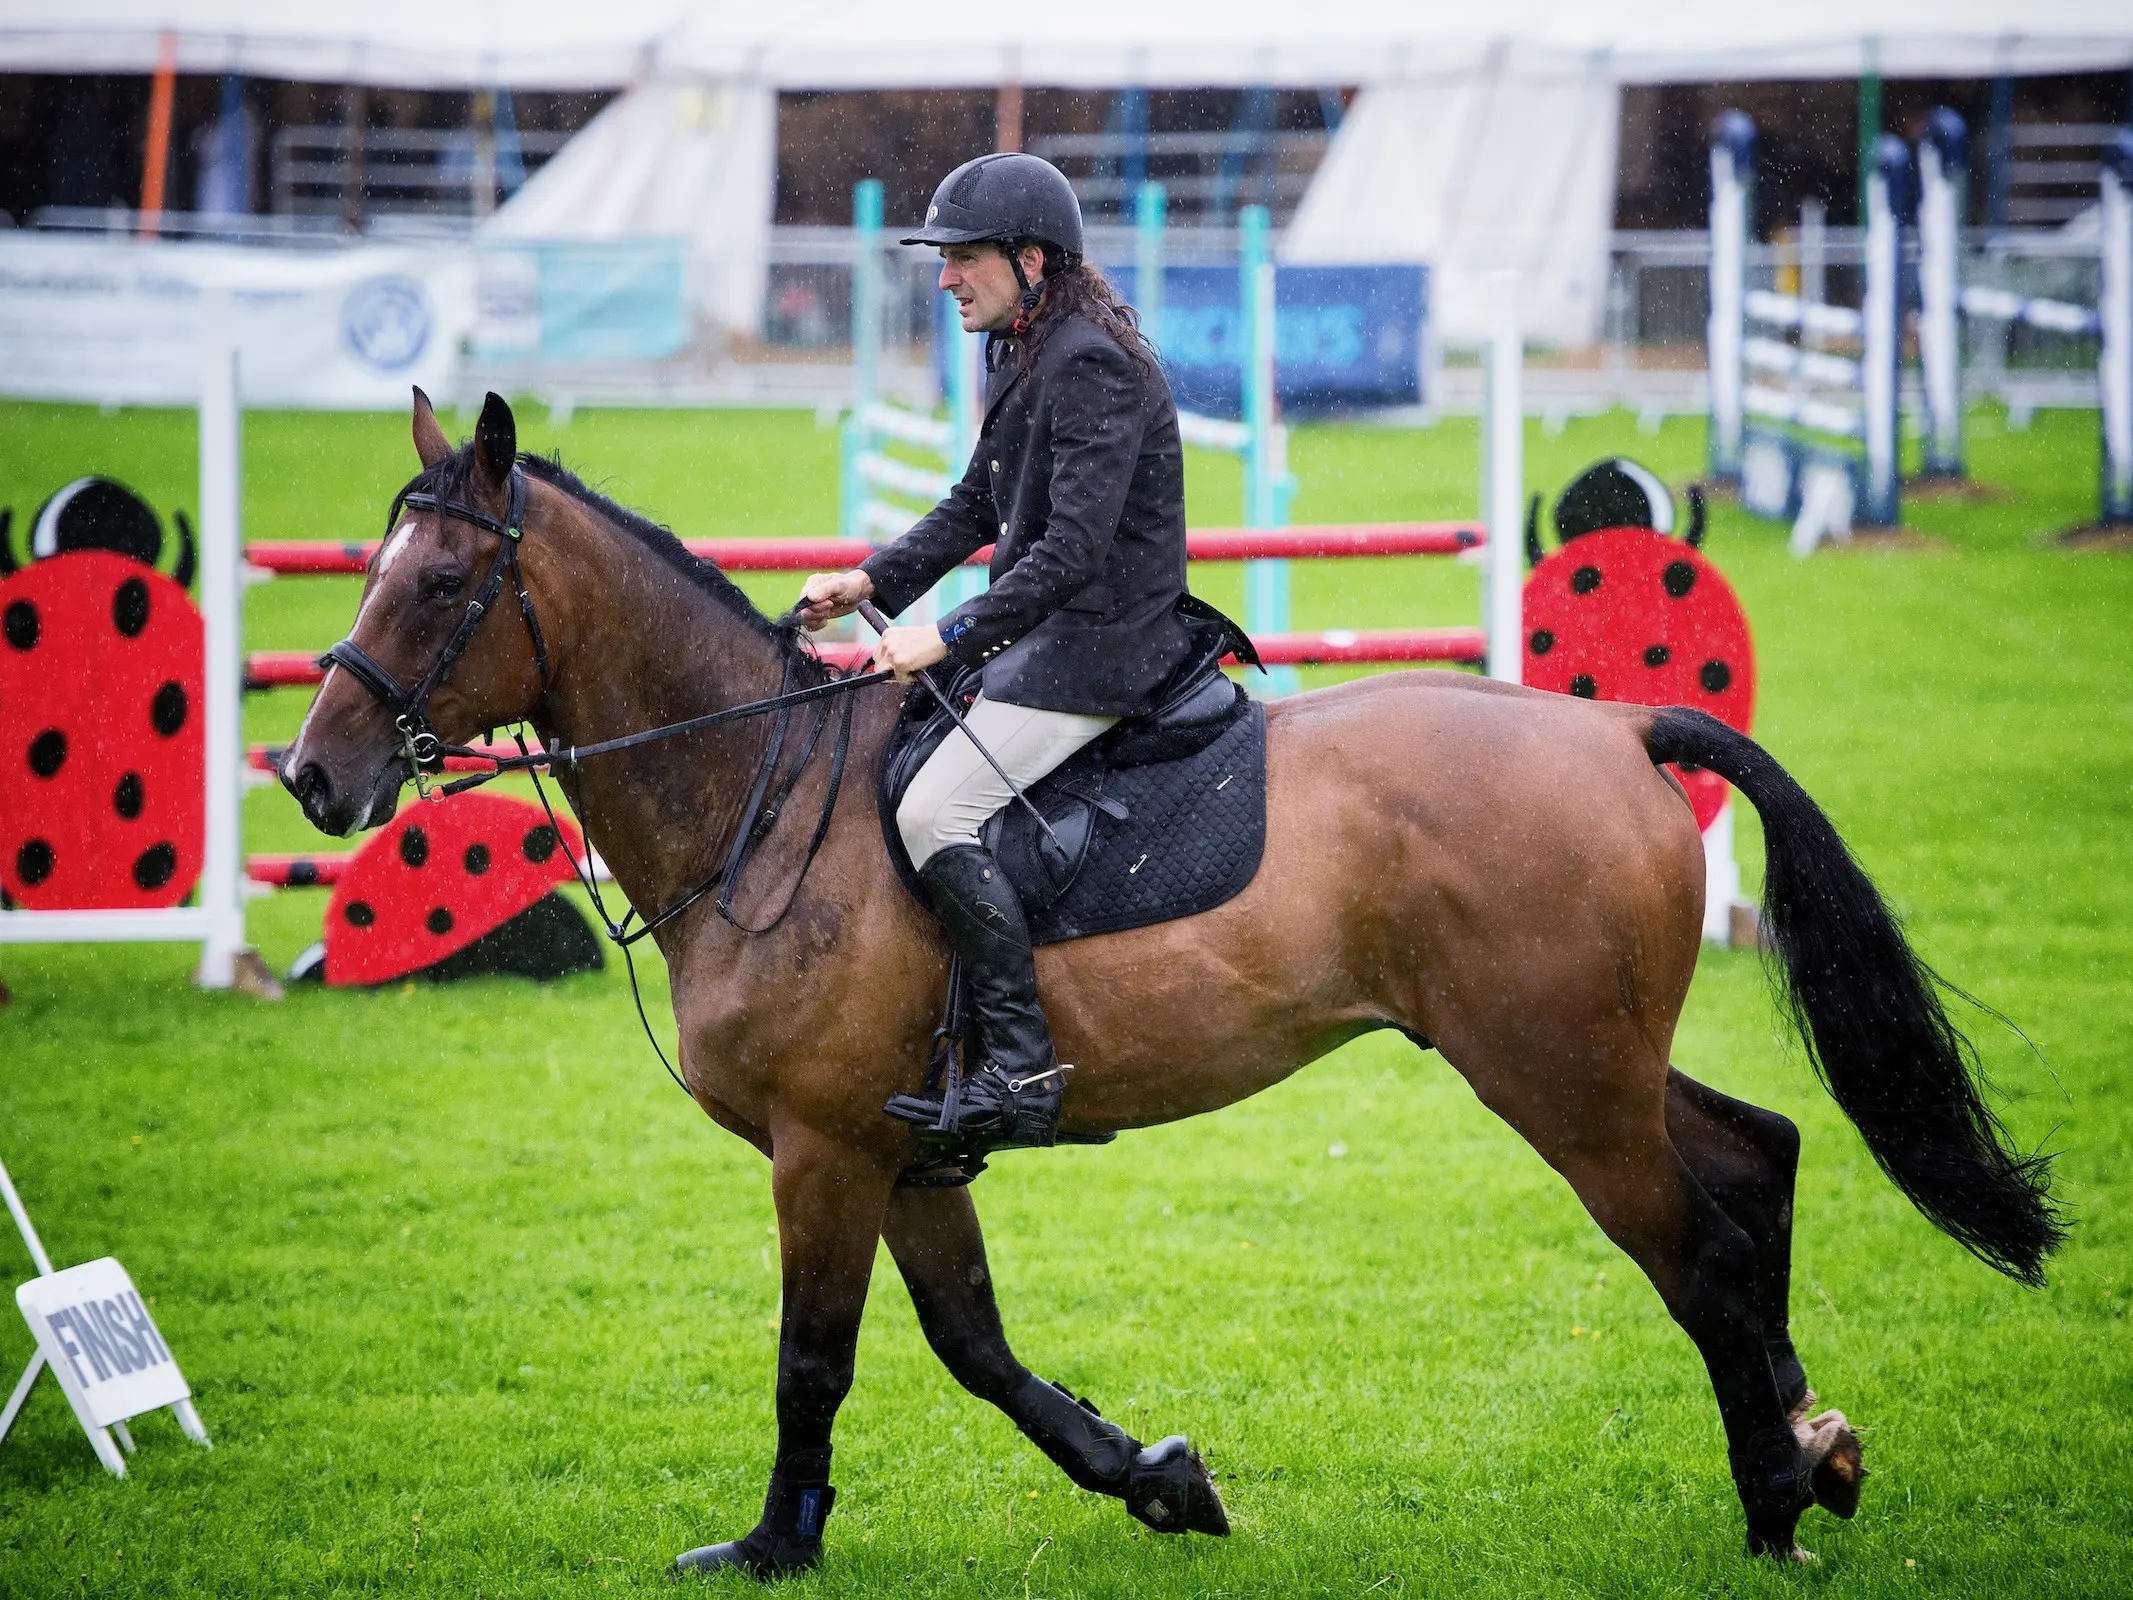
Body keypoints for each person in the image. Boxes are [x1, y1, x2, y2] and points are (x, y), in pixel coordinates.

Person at [798, 152, 1192, 1154]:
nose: (945, 279)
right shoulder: (1025, 349)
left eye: (963, 258)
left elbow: (1072, 551)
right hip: (1055, 638)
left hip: (1108, 651)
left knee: (935, 808)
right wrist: (876, 582)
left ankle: (1020, 1066)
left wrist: (950, 631)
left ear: (1028, 258)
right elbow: (980, 501)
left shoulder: (1091, 362)